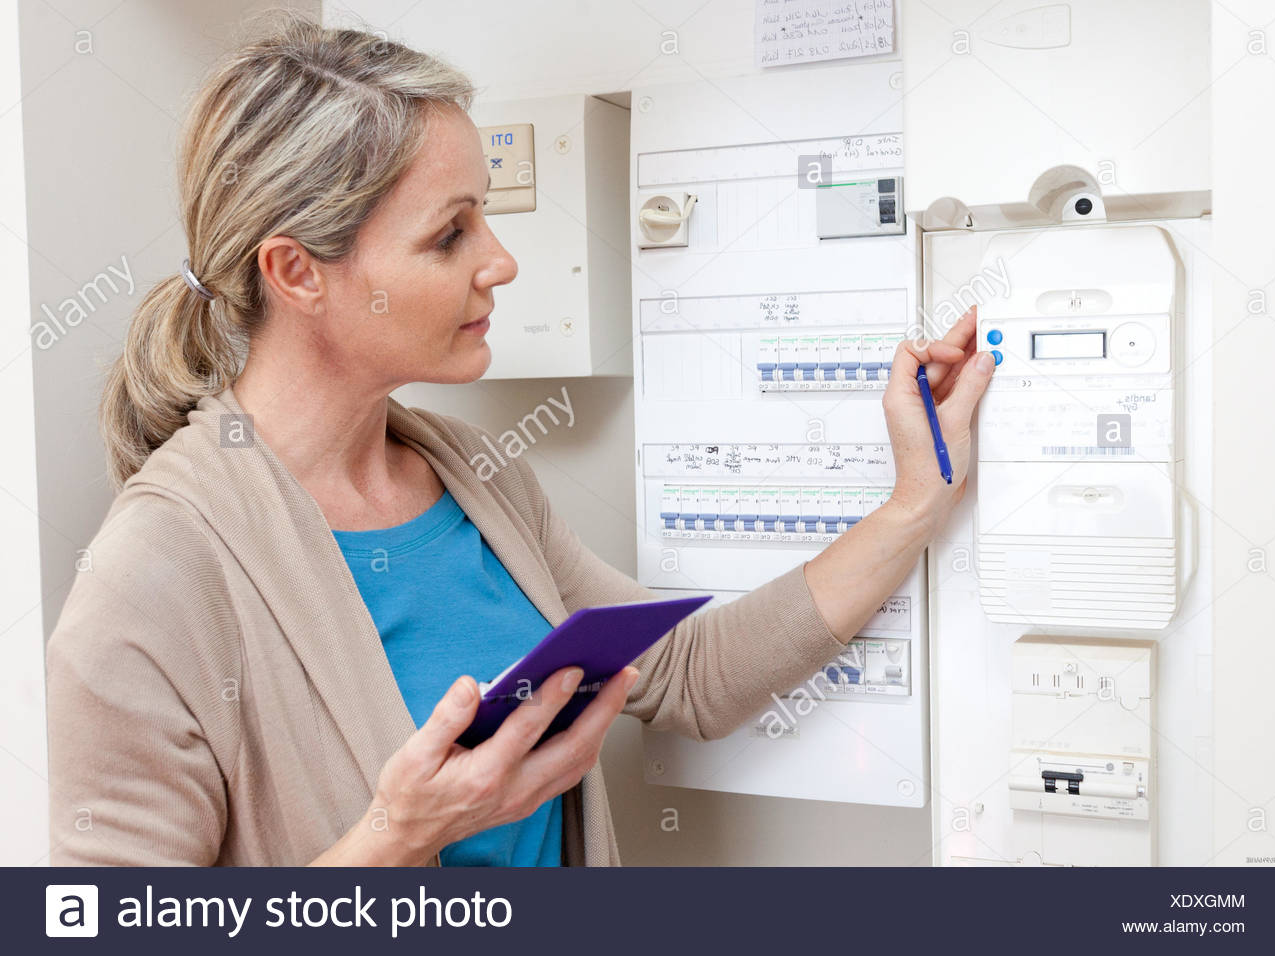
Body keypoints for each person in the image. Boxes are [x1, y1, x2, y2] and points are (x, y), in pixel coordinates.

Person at [44, 11, 995, 867]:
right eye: (449, 235)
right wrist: (401, 835)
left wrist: (919, 497)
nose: (498, 260)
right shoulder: (157, 571)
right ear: (298, 273)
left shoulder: (477, 479)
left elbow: (693, 673)